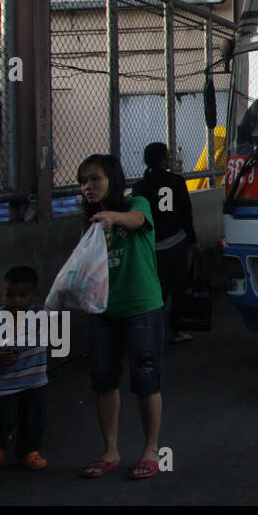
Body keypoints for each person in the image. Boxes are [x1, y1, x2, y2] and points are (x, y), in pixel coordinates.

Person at [77, 154, 165, 481]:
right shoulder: (90, 222)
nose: (88, 186)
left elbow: (138, 221)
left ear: (112, 179)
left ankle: (151, 450)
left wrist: (111, 217)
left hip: (142, 308)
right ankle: (110, 450)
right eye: (83, 181)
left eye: (94, 179)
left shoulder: (135, 203)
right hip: (102, 311)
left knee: (146, 381)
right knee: (103, 380)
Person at [132, 142, 199, 344]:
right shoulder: (176, 181)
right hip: (176, 241)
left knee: (155, 288)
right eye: (168, 156)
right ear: (163, 159)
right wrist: (192, 240)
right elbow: (186, 213)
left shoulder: (140, 186)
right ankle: (177, 329)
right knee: (178, 285)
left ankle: (152, 330)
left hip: (152, 244)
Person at [0, 266, 48, 471]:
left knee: (33, 417)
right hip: (5, 383)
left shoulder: (41, 315)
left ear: (34, 295)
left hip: (34, 380)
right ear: (2, 294)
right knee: (2, 418)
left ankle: (29, 452)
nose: (16, 300)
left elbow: (61, 300)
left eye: (22, 295)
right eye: (10, 295)